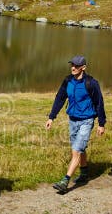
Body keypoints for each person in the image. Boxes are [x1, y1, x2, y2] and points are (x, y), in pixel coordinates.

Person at [45, 55, 106, 192]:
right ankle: (84, 173)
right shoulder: (68, 81)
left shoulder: (91, 83)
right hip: (72, 120)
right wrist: (51, 117)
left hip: (87, 120)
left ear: (83, 67)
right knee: (80, 149)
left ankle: (65, 180)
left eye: (77, 66)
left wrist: (101, 124)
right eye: (72, 65)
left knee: (76, 150)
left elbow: (99, 103)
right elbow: (59, 99)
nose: (73, 68)